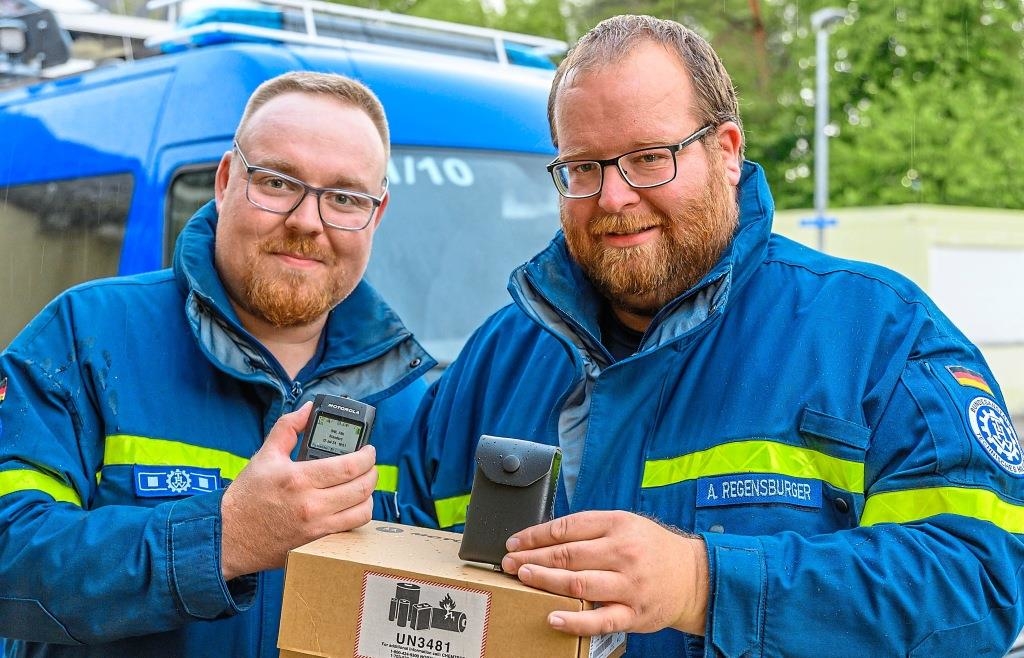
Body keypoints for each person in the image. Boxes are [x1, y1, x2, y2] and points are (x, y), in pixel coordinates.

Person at [398, 14, 1024, 657]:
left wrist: (704, 584)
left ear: (726, 152)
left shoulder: (879, 335)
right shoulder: (494, 360)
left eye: (649, 158)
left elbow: (978, 582)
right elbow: (398, 574)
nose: (613, 197)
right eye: (584, 168)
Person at [0, 71, 434, 656]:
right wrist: (224, 538)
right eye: (278, 182)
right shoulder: (84, 336)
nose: (308, 221)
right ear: (227, 181)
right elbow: (10, 554)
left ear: (375, 215)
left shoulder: (415, 403)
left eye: (344, 198)